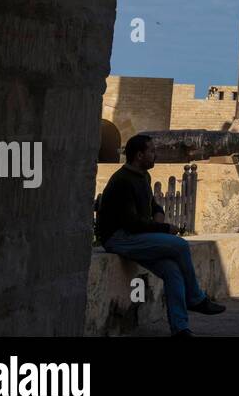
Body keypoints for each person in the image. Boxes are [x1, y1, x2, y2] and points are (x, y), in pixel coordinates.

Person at [97, 134, 226, 337]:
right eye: (152, 151)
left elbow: (152, 205)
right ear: (139, 155)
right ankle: (195, 297)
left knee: (172, 272)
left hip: (134, 236)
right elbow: (130, 222)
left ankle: (180, 328)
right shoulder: (122, 181)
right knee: (180, 246)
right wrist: (164, 229)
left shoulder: (143, 176)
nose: (155, 155)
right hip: (119, 238)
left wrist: (158, 213)